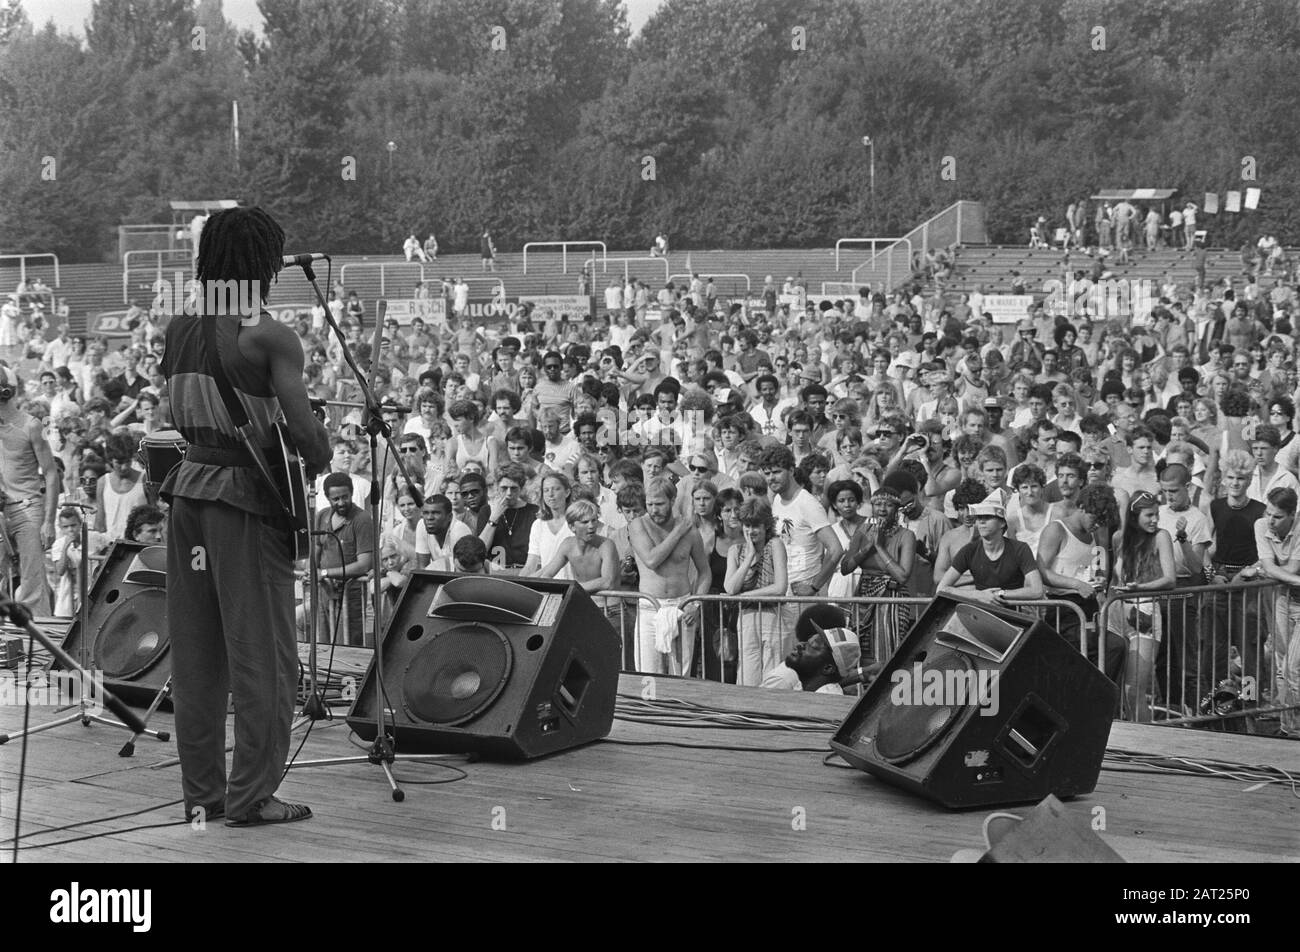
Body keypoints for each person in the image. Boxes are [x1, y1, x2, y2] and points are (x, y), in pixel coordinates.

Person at [161, 206, 330, 827]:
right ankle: (253, 796)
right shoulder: (268, 336)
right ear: (263, 265)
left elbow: (181, 411)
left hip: (187, 496)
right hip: (242, 500)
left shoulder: (178, 327)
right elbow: (307, 438)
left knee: (199, 656)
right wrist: (316, 447)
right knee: (263, 655)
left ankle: (203, 795)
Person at [628, 476, 711, 675]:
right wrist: (677, 532)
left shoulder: (690, 531)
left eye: (659, 504)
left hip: (681, 606)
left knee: (680, 674)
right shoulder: (638, 525)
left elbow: (705, 571)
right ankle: (649, 696)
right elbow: (651, 560)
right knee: (647, 673)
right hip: (649, 607)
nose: (654, 510)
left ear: (672, 500)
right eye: (649, 504)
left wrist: (695, 604)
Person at [1106, 491, 1176, 722]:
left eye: (1156, 514)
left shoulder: (1161, 536)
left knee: (1134, 690)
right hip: (1116, 612)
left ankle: (1144, 738)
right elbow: (1114, 580)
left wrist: (1140, 588)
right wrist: (1105, 608)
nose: (1155, 520)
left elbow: (1170, 579)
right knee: (1114, 688)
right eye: (1149, 515)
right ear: (1135, 516)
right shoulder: (1119, 538)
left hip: (1144, 612)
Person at [1240, 486, 1300, 736]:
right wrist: (1268, 571)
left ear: (1292, 515)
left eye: (1278, 516)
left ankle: (1295, 726)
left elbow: (1290, 568)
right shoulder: (1261, 525)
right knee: (1282, 666)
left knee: (1293, 667)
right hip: (1284, 597)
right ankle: (1289, 727)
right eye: (1269, 513)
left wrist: (1266, 571)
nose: (1271, 520)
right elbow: (1272, 567)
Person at [0, 364, 59, 617]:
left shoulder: (32, 425)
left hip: (28, 508)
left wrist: (49, 521)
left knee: (33, 582)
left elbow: (51, 472)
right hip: (2, 511)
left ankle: (39, 634)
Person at [841, 487, 916, 663]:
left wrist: (880, 547)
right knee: (859, 649)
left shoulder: (906, 535)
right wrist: (867, 548)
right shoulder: (863, 530)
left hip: (891, 597)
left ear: (896, 509)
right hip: (864, 595)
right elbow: (845, 568)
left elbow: (902, 576)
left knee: (888, 651)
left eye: (888, 505)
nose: (882, 509)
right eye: (878, 504)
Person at [724, 497, 789, 686]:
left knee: (772, 678)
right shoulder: (735, 550)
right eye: (747, 525)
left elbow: (780, 588)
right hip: (746, 618)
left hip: (773, 616)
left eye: (756, 526)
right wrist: (750, 556)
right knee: (747, 678)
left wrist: (744, 596)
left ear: (766, 526)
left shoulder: (775, 544)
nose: (751, 531)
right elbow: (730, 588)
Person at [936, 493, 1044, 604]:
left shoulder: (1020, 549)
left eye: (987, 517)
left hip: (1011, 612)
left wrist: (999, 594)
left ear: (1002, 523)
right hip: (979, 611)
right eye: (979, 518)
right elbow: (941, 588)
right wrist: (976, 595)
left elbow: (1037, 591)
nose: (982, 522)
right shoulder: (969, 551)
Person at [313, 471, 376, 647]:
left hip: (350, 594)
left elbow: (364, 564)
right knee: (324, 645)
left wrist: (324, 573)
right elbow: (316, 550)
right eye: (336, 499)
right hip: (325, 592)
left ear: (351, 493)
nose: (341, 502)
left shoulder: (362, 519)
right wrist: (314, 573)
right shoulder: (322, 516)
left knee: (347, 645)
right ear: (328, 498)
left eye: (345, 497)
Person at [540, 499, 618, 593]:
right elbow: (546, 575)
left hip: (606, 602)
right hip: (579, 598)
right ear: (572, 527)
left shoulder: (606, 545)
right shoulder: (567, 545)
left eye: (594, 520)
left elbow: (607, 582)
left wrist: (570, 588)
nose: (591, 526)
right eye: (585, 522)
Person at [415, 493, 471, 571]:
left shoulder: (460, 530)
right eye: (426, 513)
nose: (429, 518)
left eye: (436, 513)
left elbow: (464, 570)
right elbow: (422, 567)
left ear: (449, 517)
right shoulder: (422, 525)